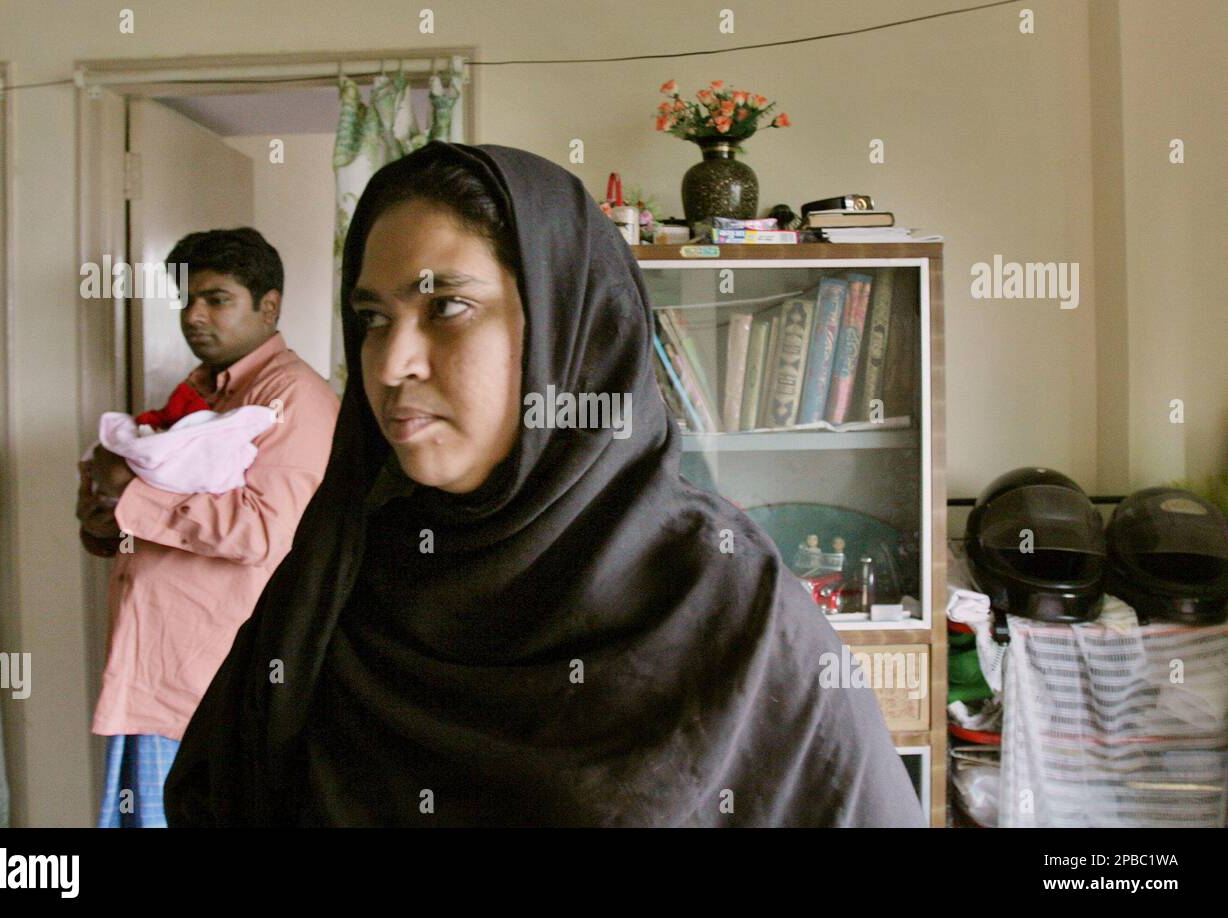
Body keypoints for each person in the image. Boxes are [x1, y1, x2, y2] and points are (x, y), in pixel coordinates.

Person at [163, 144, 925, 827]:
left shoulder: (727, 610)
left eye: (447, 308)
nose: (392, 365)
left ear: (570, 331)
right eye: (371, 318)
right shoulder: (340, 580)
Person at [75, 227, 340, 827]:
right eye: (186, 299)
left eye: (216, 298)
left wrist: (131, 492)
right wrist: (103, 507)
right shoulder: (198, 395)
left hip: (209, 686)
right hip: (158, 674)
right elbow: (147, 517)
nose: (193, 315)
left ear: (268, 306)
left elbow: (261, 531)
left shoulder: (292, 398)